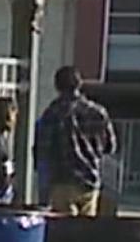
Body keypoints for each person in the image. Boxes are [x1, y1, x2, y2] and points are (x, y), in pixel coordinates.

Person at [34, 66, 117, 216]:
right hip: (89, 180)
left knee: (65, 230)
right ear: (80, 84)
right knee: (85, 229)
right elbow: (110, 147)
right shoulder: (98, 112)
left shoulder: (51, 113)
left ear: (57, 86)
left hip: (62, 180)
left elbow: (43, 150)